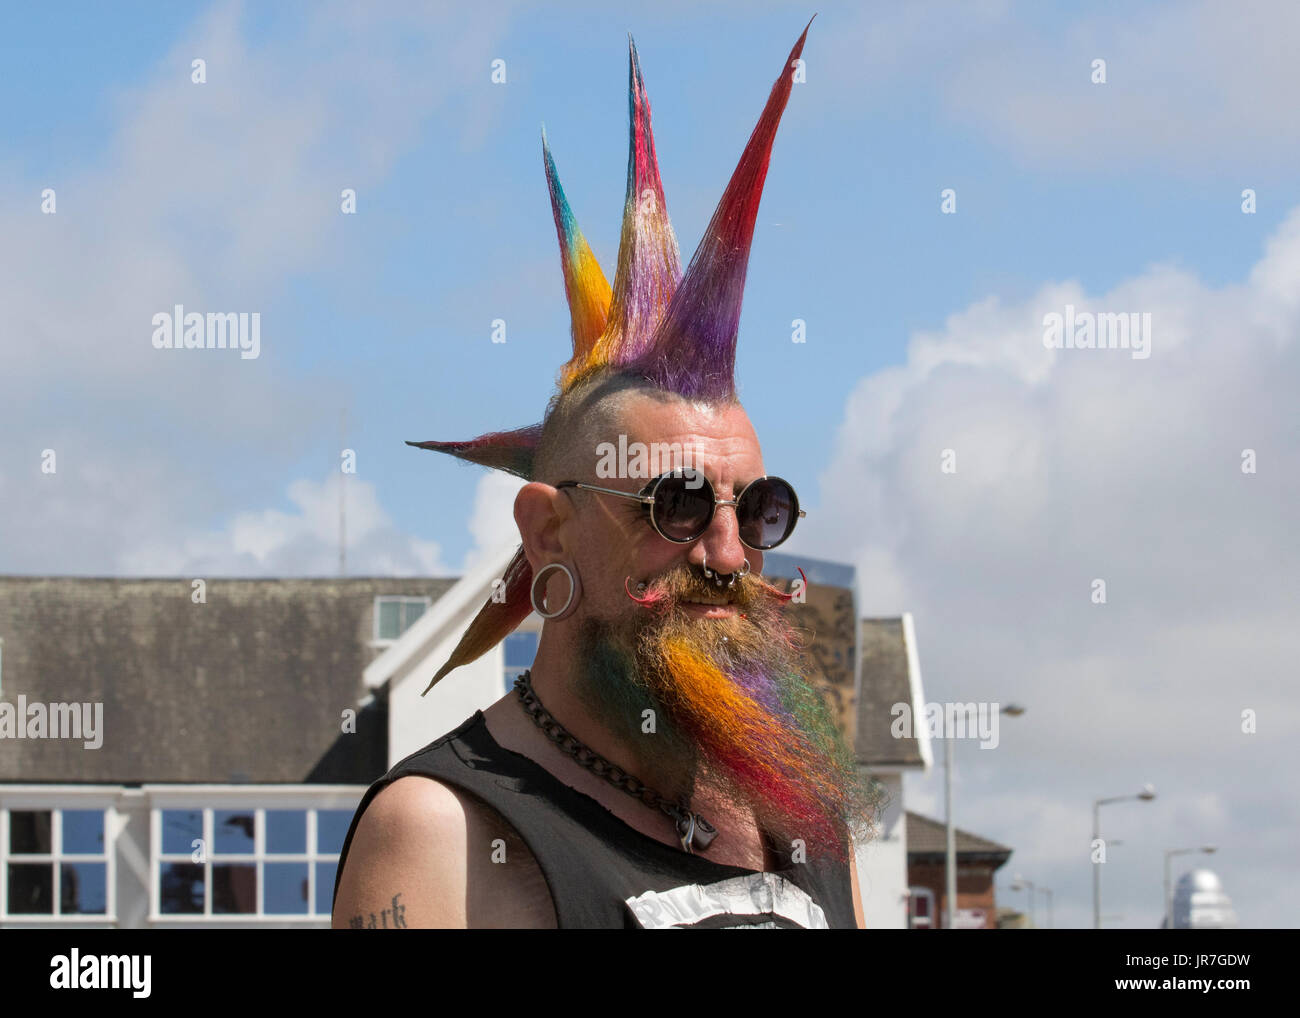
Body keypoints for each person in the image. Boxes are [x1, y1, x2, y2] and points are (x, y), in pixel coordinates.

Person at [332, 18, 880, 929]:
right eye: (674, 504)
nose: (728, 554)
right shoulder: (446, 833)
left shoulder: (809, 818)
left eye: (760, 511)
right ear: (548, 531)